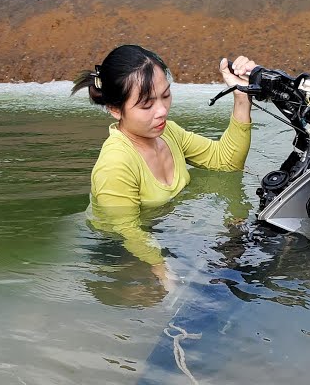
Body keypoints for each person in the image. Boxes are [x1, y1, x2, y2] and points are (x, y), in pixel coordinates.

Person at [72, 45, 257, 289]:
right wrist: (161, 267)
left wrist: (242, 96)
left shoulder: (168, 133)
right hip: (120, 252)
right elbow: (126, 229)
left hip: (161, 233)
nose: (162, 111)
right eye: (146, 105)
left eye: (166, 95)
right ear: (115, 109)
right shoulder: (115, 164)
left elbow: (225, 161)